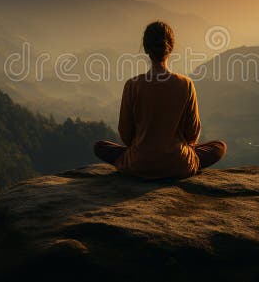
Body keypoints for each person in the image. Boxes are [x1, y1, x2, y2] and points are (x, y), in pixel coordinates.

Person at [94, 21, 226, 179]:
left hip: (138, 164)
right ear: (170, 47)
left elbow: (126, 135)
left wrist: (143, 149)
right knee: (219, 146)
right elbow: (192, 135)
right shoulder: (185, 84)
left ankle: (138, 161)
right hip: (178, 165)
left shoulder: (132, 85)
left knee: (100, 147)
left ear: (145, 48)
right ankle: (177, 161)